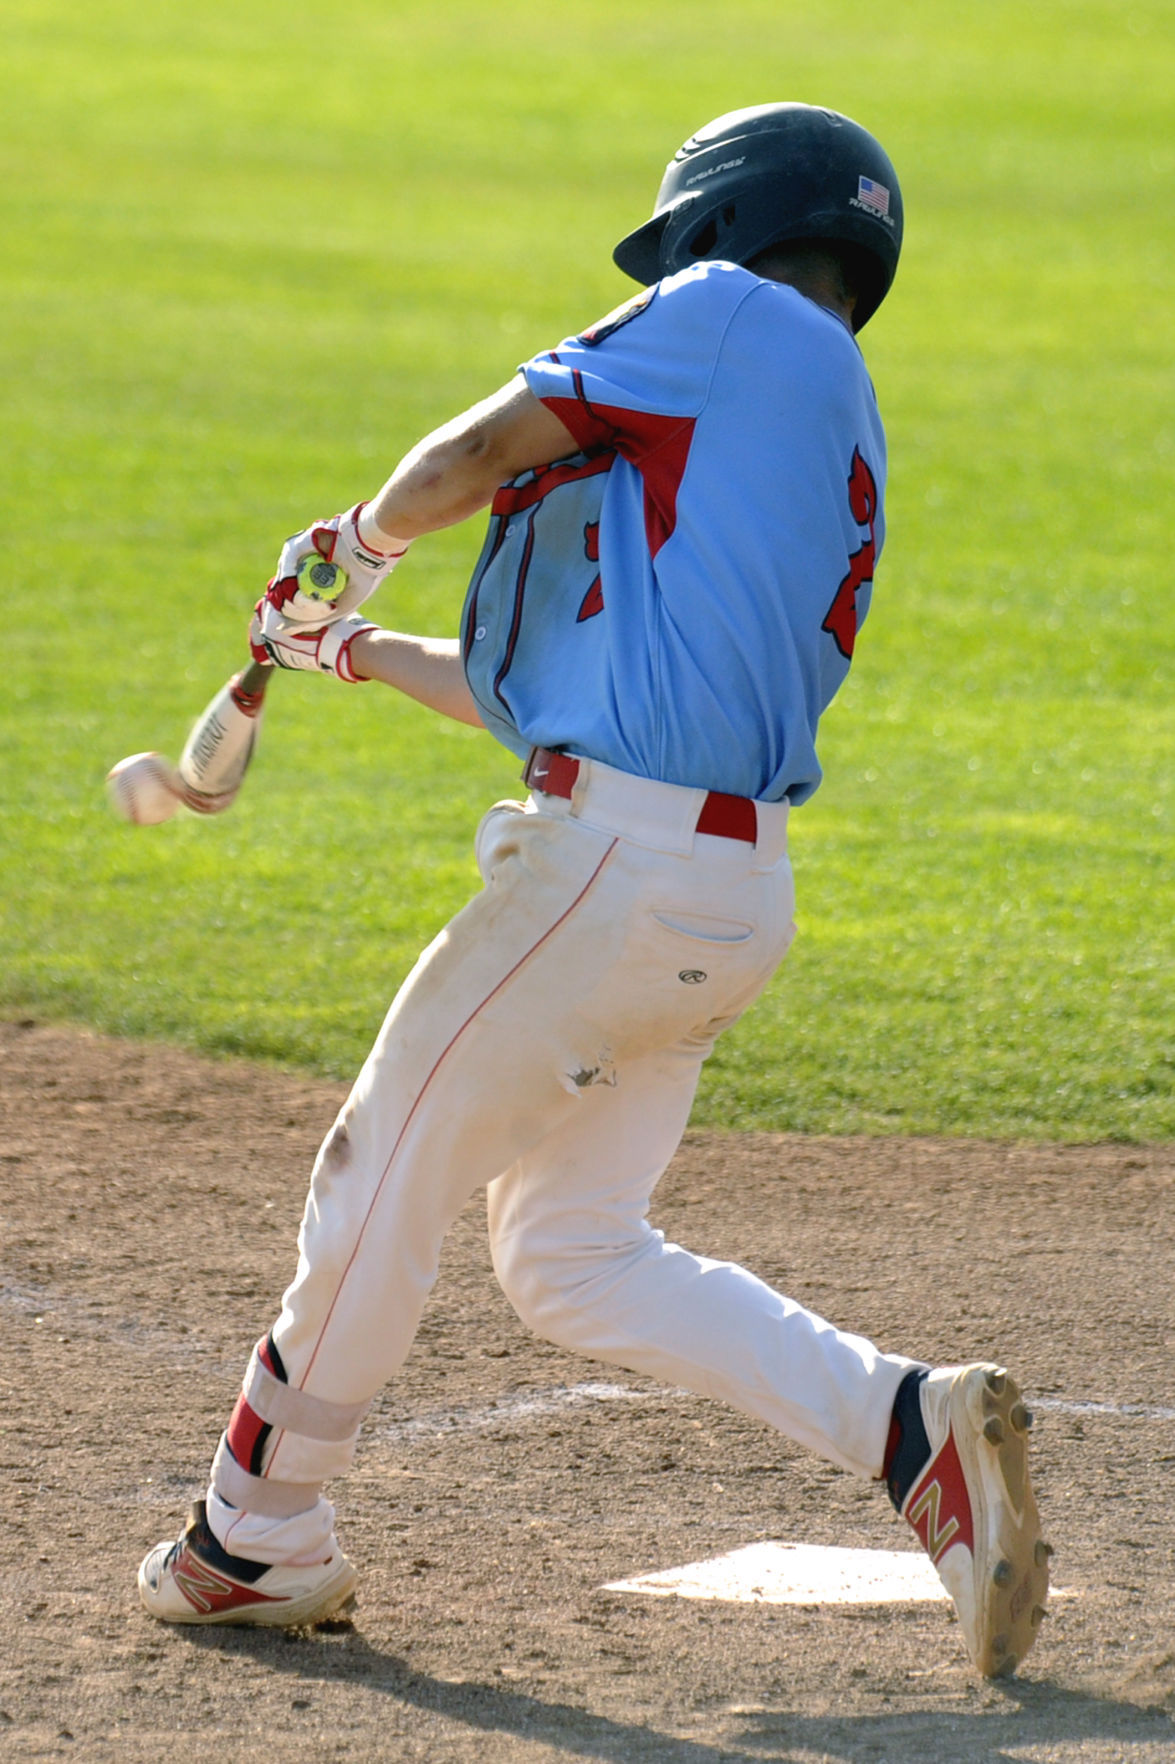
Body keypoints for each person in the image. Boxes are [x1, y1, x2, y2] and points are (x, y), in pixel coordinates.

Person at [138, 103, 1050, 1677]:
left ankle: (253, 1537)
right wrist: (345, 649)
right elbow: (544, 692)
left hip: (607, 877)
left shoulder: (722, 315)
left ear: (722, 227)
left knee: (382, 1173)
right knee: (569, 1252)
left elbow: (482, 446)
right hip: (716, 892)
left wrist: (356, 542)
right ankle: (906, 1423)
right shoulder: (809, 422)